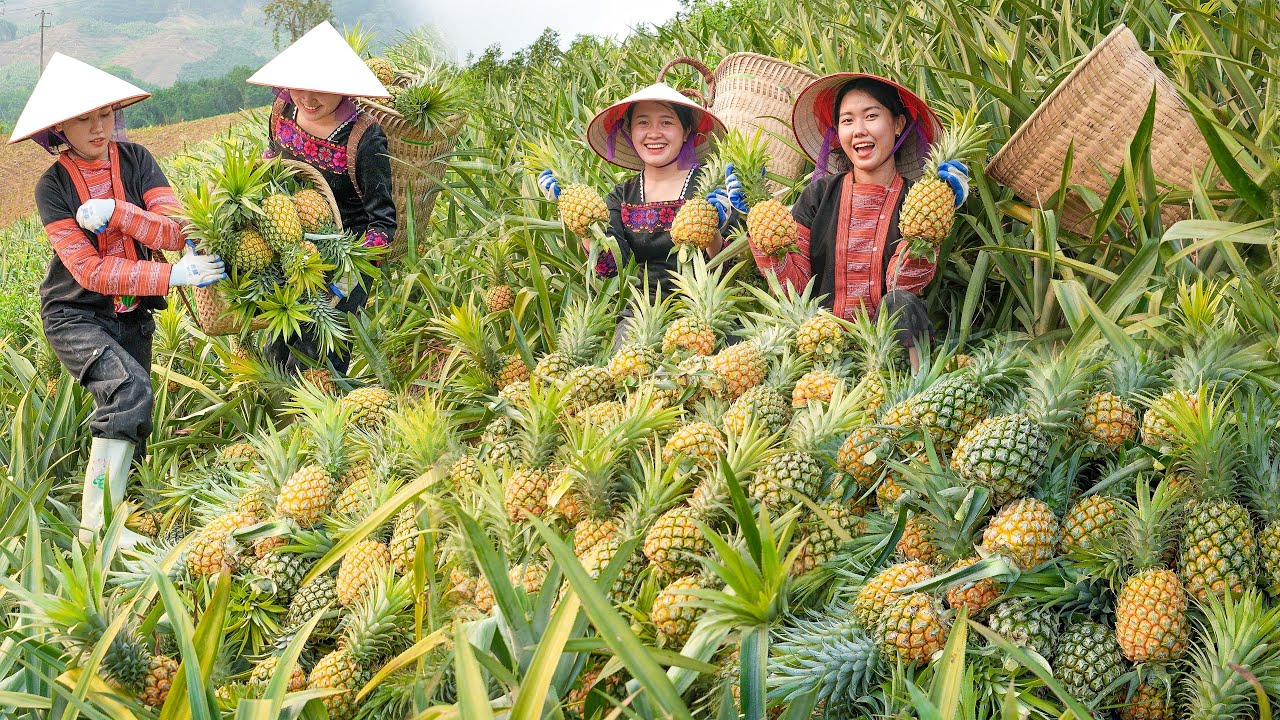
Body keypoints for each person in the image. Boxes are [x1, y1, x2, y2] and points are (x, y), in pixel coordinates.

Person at [9, 53, 227, 547]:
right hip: (75, 315)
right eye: (83, 117)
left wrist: (121, 213)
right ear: (59, 126)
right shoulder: (53, 187)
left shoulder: (137, 160)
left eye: (105, 113)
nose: (98, 125)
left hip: (132, 313)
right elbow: (87, 269)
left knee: (137, 414)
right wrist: (172, 276)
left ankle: (130, 515)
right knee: (128, 393)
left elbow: (175, 229)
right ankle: (94, 528)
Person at [751, 73, 958, 369]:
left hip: (892, 356)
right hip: (818, 350)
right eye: (847, 121)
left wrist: (928, 227)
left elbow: (902, 285)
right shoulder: (818, 195)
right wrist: (764, 233)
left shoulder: (916, 199)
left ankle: (916, 387)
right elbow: (793, 289)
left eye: (871, 116)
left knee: (901, 303)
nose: (859, 130)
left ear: (898, 124)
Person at [247, 21, 397, 375]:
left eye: (321, 90)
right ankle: (287, 424)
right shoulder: (283, 112)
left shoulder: (364, 138)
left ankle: (328, 417)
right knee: (277, 347)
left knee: (318, 355)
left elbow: (383, 222)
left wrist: (348, 277)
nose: (308, 99)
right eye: (299, 88)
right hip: (294, 244)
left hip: (351, 251)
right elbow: (275, 162)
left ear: (343, 89)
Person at [578, 82, 738, 300]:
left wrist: (712, 234)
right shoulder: (623, 196)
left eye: (666, 122)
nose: (654, 133)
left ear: (686, 132)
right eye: (643, 123)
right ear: (630, 130)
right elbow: (610, 267)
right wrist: (584, 226)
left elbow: (734, 268)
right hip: (645, 309)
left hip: (707, 303)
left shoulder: (711, 188)